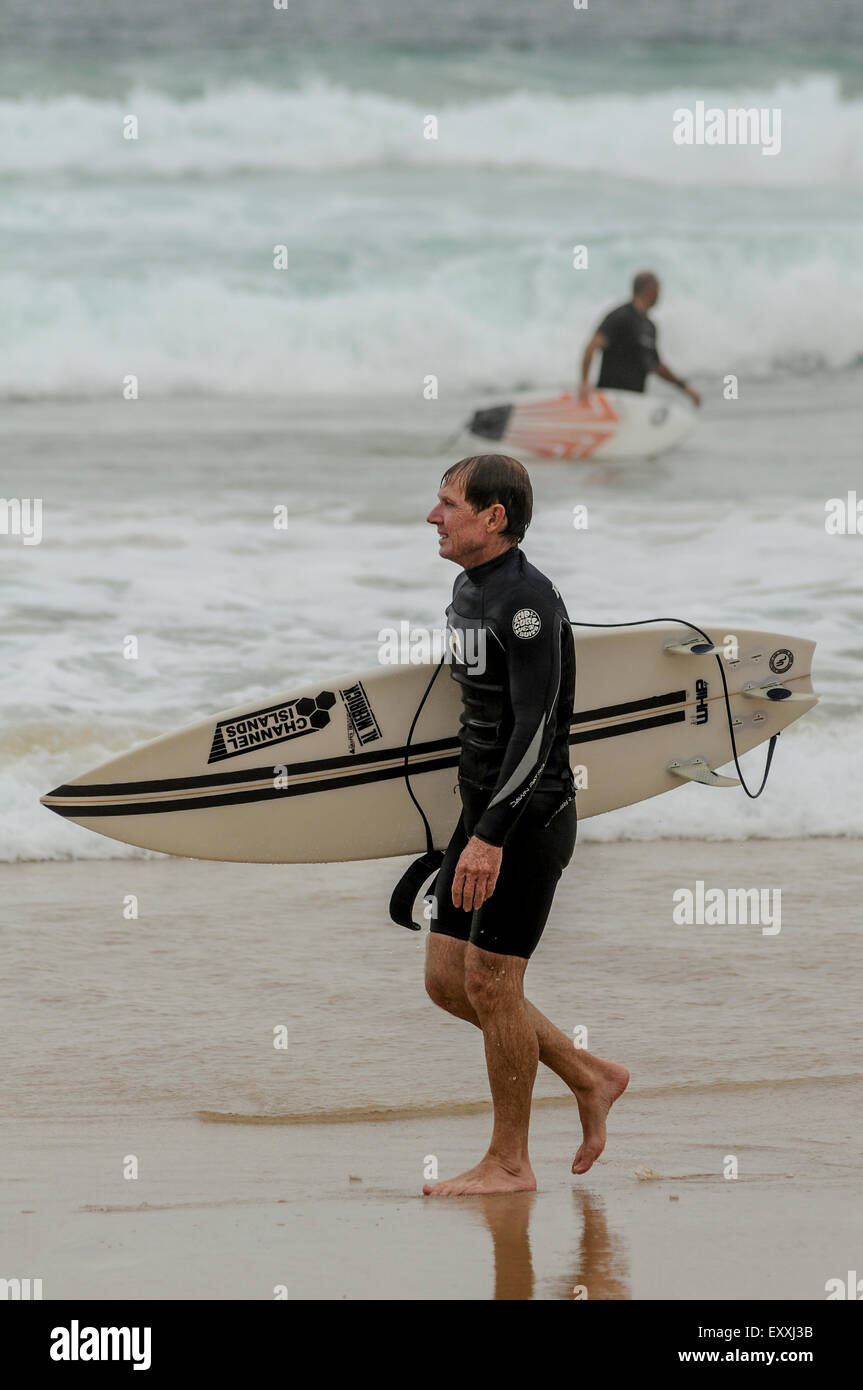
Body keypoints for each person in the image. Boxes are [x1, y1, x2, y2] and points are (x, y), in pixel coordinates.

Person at [422, 454, 629, 1196]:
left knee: (491, 982)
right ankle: (588, 1075)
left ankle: (509, 1163)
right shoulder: (466, 588)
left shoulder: (526, 602)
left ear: (494, 517)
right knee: (448, 982)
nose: (433, 516)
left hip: (527, 819)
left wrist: (491, 836)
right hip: (478, 812)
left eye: (448, 504)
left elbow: (537, 729)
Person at [579, 270, 701, 407]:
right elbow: (591, 347)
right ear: (651, 290)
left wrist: (685, 388)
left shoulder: (650, 326)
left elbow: (657, 366)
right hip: (610, 398)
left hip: (635, 401)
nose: (659, 295)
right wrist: (584, 383)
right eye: (658, 291)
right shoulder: (620, 316)